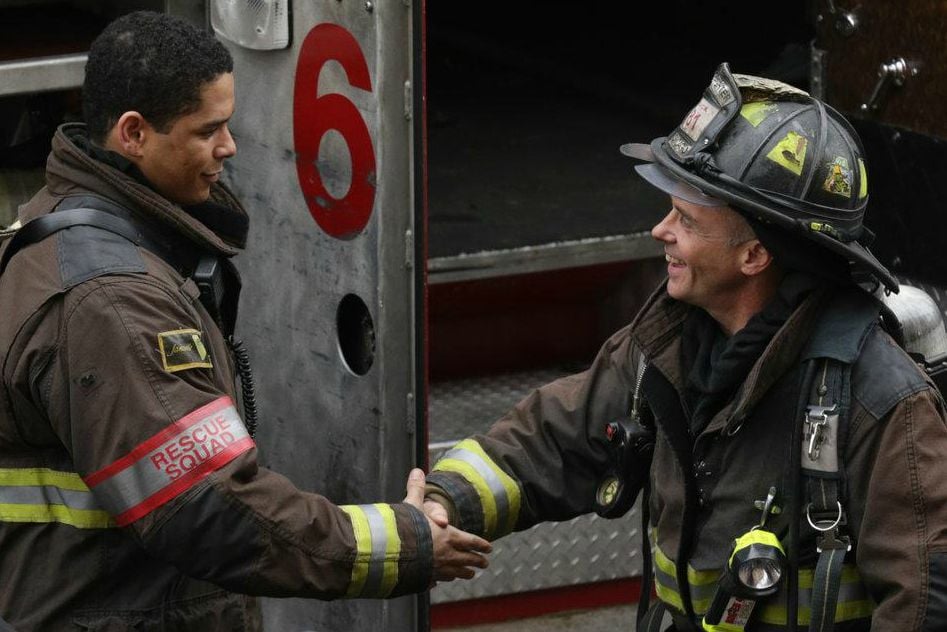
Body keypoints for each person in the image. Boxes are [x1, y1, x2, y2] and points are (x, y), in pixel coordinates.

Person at [0, 11, 489, 631]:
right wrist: (400, 543)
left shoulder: (62, 219)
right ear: (133, 134)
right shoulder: (113, 302)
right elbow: (211, 509)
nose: (229, 147)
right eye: (209, 130)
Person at [423, 62, 947, 631]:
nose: (660, 230)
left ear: (754, 257)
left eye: (686, 219)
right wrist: (445, 502)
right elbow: (553, 441)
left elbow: (925, 605)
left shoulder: (878, 401)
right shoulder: (666, 346)